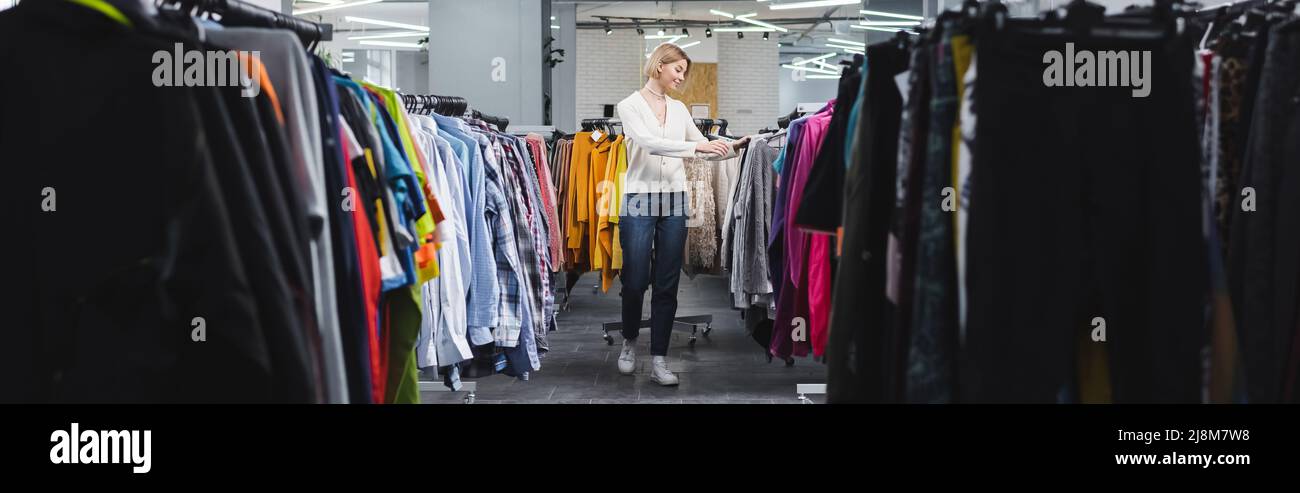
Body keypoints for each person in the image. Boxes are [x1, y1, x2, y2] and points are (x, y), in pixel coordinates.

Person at [613, 42, 749, 386]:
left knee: (667, 282)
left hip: (674, 200)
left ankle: (659, 358)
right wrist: (698, 146)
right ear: (659, 65)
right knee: (634, 279)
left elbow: (702, 149)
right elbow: (648, 143)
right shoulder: (628, 105)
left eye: (684, 72)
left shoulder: (679, 109)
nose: (682, 77)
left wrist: (735, 149)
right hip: (639, 200)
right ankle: (629, 341)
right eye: (678, 69)